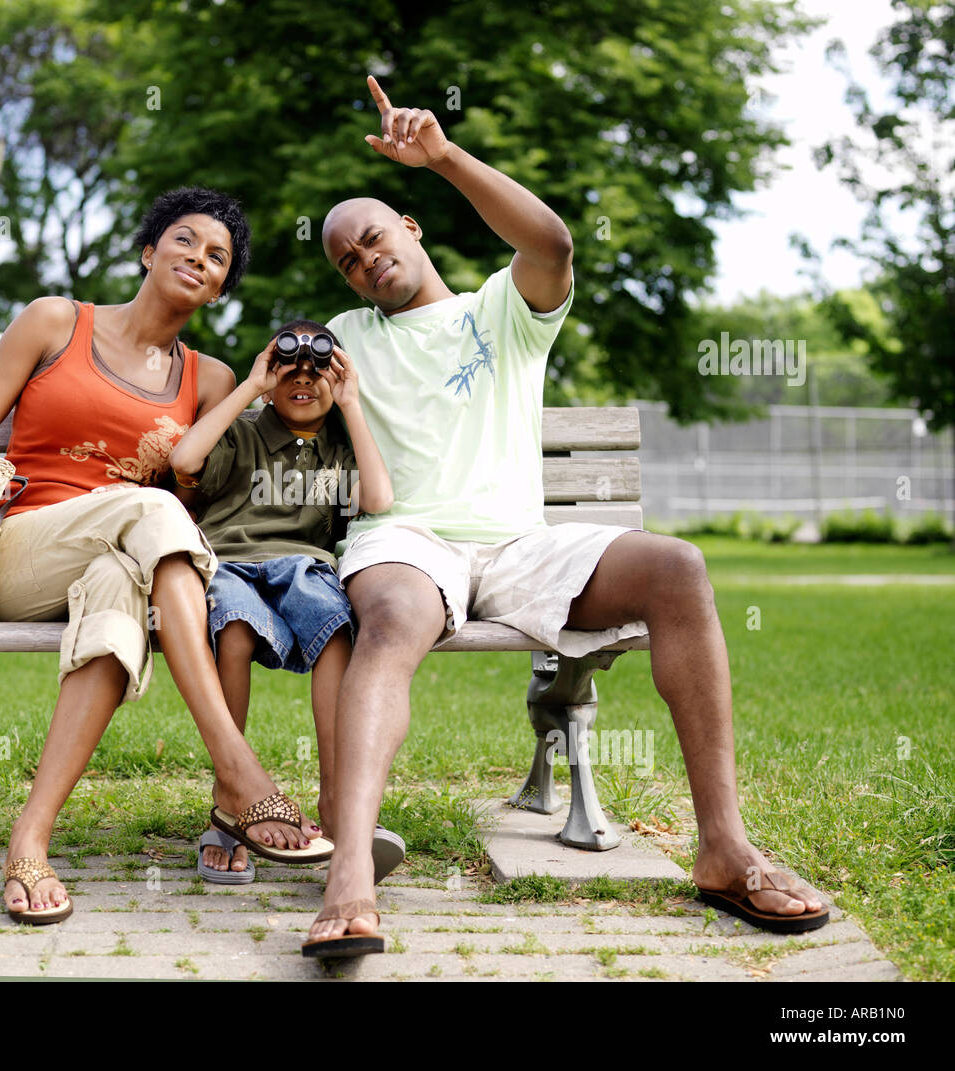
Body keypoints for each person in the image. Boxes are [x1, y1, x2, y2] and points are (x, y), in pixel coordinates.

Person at [303, 77, 828, 957]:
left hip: (518, 544)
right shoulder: (346, 335)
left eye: (374, 238)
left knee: (678, 567)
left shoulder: (501, 311)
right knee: (391, 617)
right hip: (407, 539)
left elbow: (551, 238)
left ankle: (724, 847)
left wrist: (442, 156)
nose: (365, 262)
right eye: (348, 261)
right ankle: (350, 870)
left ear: (412, 226)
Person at [0, 187, 329, 926]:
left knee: (121, 598)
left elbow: (263, 454)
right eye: (185, 241)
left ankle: (29, 839)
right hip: (22, 555)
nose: (199, 257)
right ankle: (236, 770)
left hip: (118, 568)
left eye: (217, 256)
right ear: (149, 250)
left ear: (220, 287)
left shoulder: (211, 381)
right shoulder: (56, 321)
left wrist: (264, 380)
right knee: (151, 508)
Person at [168, 321, 397, 882]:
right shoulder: (243, 433)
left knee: (335, 629)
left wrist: (354, 403)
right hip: (228, 563)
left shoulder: (341, 446)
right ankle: (232, 803)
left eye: (318, 372)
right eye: (288, 371)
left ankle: (335, 798)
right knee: (236, 629)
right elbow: (184, 459)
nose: (303, 380)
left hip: (304, 568)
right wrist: (250, 387)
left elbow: (378, 498)